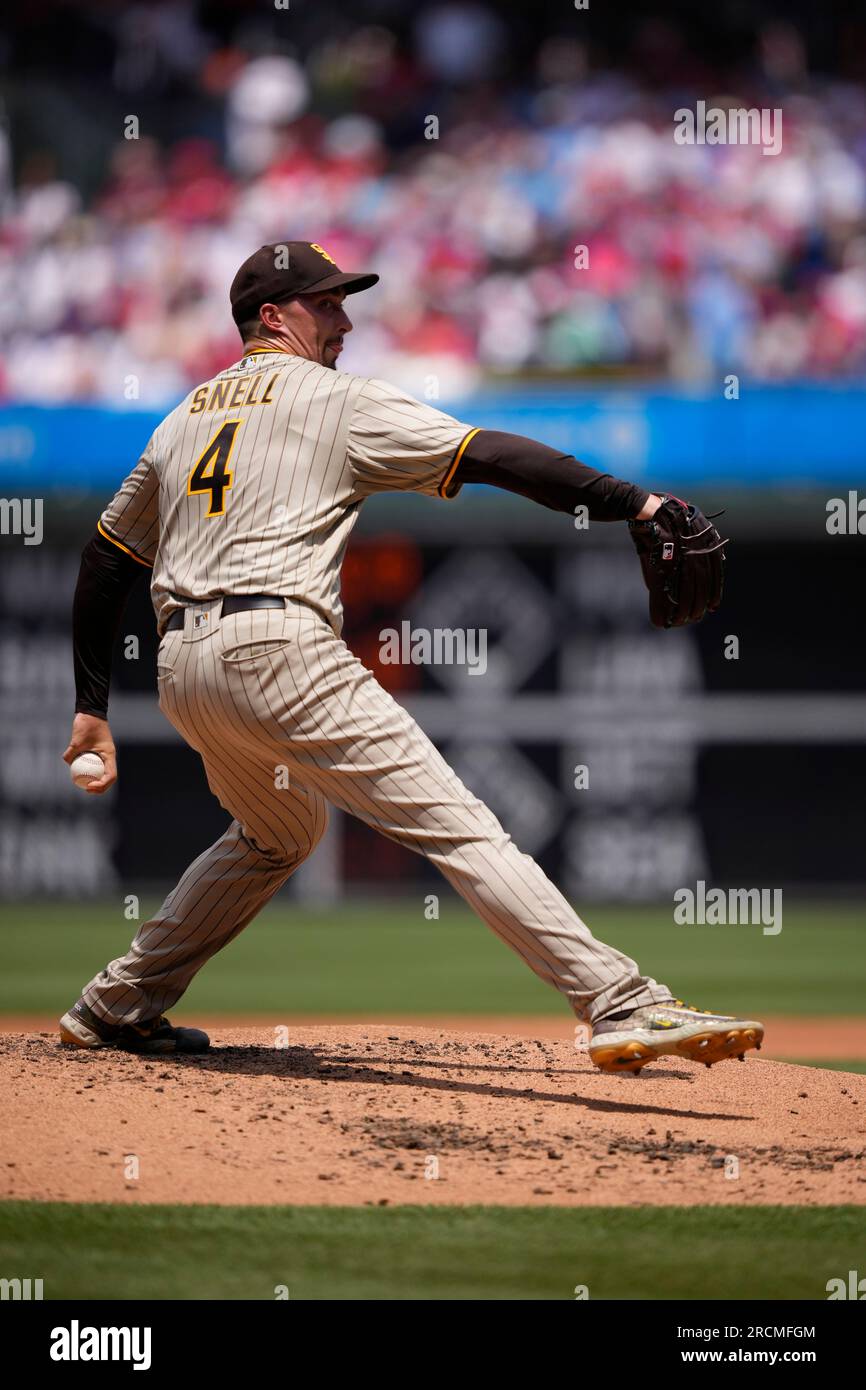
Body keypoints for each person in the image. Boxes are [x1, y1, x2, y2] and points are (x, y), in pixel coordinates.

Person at [60, 241, 763, 1074]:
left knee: (276, 833)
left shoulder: (181, 420)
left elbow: (107, 558)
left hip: (184, 667)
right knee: (461, 827)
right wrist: (633, 500)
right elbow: (491, 454)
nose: (345, 317)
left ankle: (116, 1004)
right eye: (326, 303)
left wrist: (92, 705)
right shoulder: (332, 400)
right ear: (273, 318)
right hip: (279, 646)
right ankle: (622, 1002)